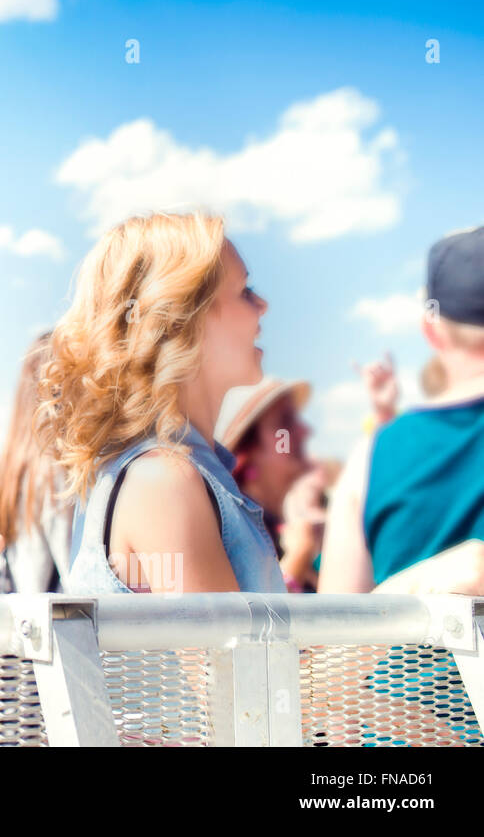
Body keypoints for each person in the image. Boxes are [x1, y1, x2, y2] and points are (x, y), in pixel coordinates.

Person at [42, 212, 286, 595]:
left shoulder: (175, 471)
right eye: (244, 291)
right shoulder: (164, 482)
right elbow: (228, 656)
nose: (264, 305)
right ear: (181, 320)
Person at [320, 227, 484, 595]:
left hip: (403, 654)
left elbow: (336, 637)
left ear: (431, 330)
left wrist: (410, 590)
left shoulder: (374, 455)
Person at [0, 332, 72, 594]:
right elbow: (77, 575)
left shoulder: (11, 463)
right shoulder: (53, 468)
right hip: (49, 623)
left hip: (19, 616)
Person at [215, 376, 325, 592]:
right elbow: (251, 620)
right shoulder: (230, 535)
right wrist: (300, 556)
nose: (304, 432)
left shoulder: (289, 529)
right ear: (247, 451)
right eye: (285, 423)